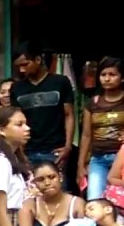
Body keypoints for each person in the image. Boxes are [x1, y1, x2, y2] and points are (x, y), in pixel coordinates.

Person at [10, 40, 75, 181]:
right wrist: (20, 152)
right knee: (31, 192)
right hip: (28, 150)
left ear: (38, 60)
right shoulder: (17, 88)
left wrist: (67, 147)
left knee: (58, 191)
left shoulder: (61, 82)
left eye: (25, 64)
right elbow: (16, 120)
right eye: (18, 67)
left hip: (56, 149)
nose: (22, 70)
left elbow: (69, 115)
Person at [78, 57, 124, 200]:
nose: (107, 79)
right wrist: (80, 165)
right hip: (98, 159)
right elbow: (86, 136)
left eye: (112, 75)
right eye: (103, 75)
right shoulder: (92, 103)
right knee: (95, 200)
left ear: (122, 78)